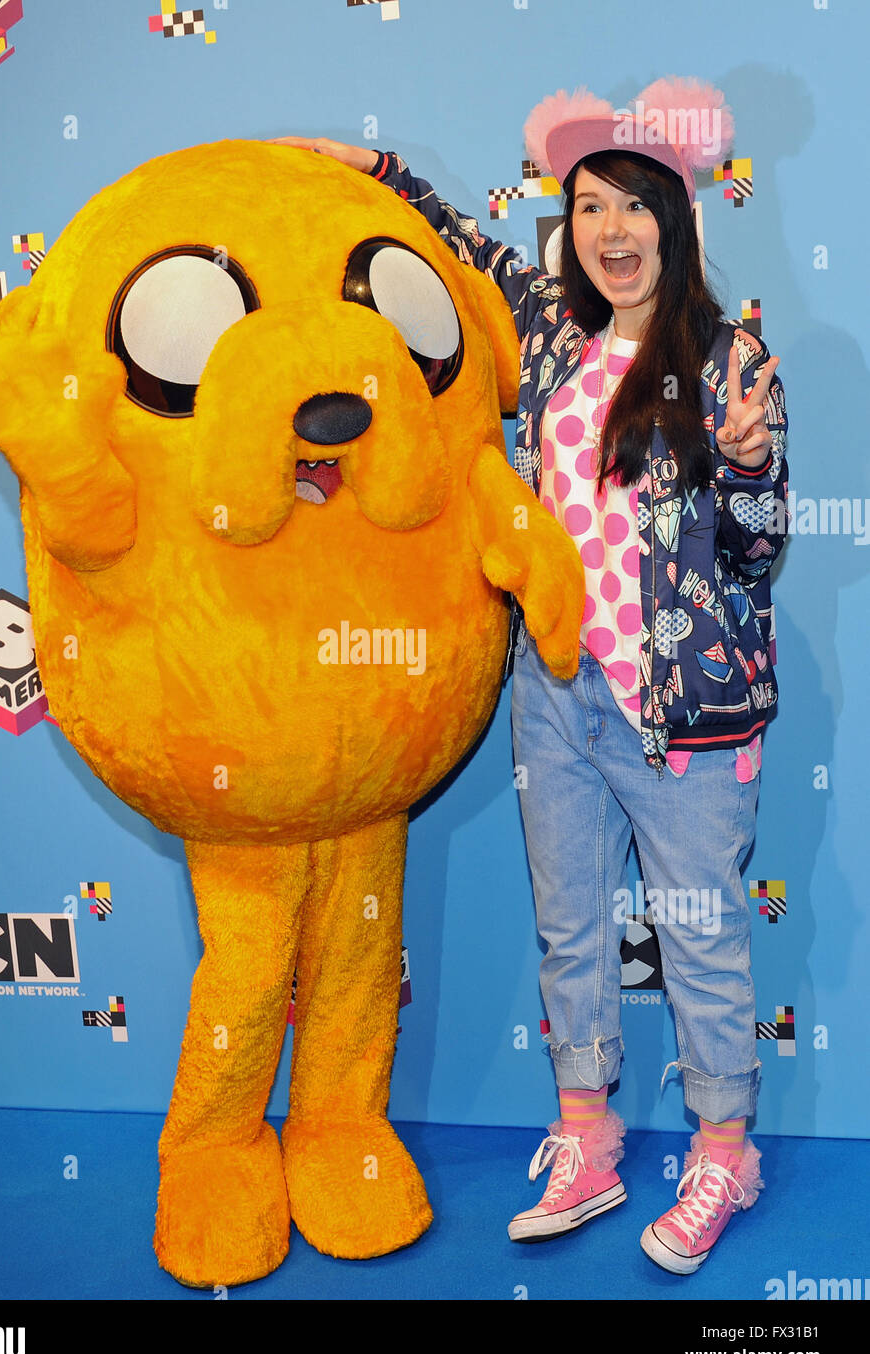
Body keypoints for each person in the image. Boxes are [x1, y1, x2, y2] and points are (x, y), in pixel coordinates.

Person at [272, 76, 788, 1275]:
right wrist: (370, 167)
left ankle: (723, 1151)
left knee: (702, 936)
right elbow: (461, 237)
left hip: (686, 717)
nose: (611, 232)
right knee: (572, 930)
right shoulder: (551, 334)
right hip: (556, 699)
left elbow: (760, 559)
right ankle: (587, 1133)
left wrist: (752, 467)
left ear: (676, 216)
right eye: (589, 209)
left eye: (633, 208)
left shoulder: (729, 361)